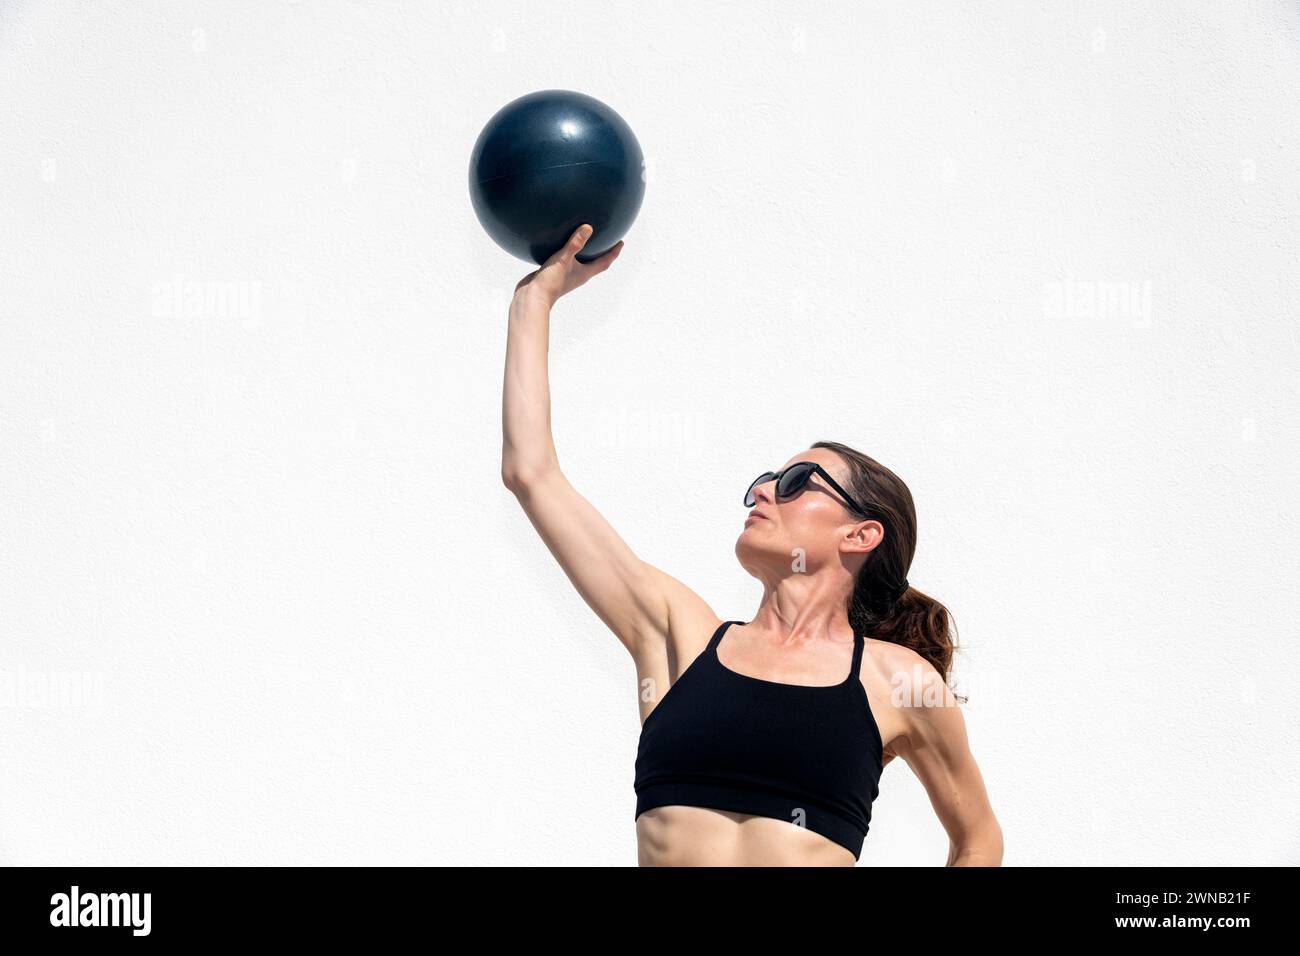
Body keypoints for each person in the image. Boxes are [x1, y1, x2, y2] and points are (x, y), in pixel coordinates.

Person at [501, 225, 1003, 866]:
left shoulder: (899, 681)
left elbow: (979, 838)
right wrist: (532, 304)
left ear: (861, 534)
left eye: (795, 483)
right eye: (764, 481)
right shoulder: (679, 637)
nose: (764, 490)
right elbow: (531, 473)